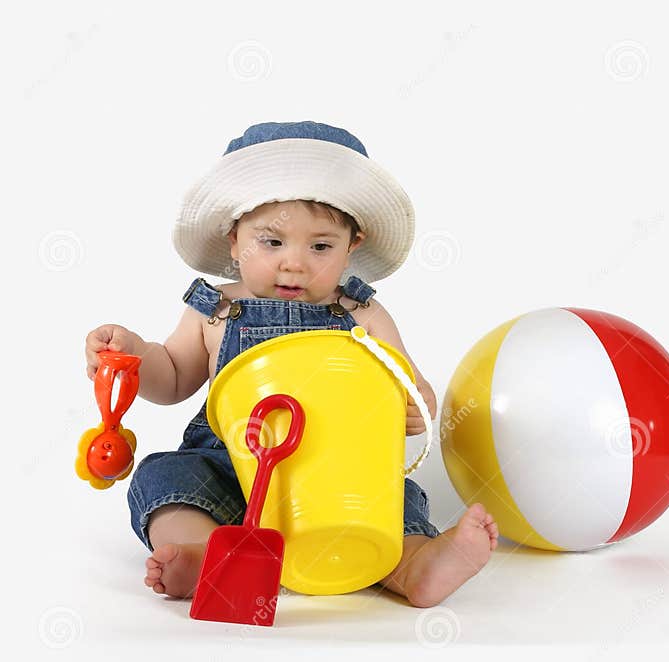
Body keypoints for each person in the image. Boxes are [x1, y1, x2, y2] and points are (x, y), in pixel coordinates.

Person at [83, 121, 498, 608]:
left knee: (391, 500)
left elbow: (408, 384)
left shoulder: (359, 312)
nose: (295, 263)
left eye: (320, 246)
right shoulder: (213, 309)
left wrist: (414, 402)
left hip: (338, 475)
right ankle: (205, 551)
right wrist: (134, 356)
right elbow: (172, 375)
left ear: (352, 246)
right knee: (166, 478)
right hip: (229, 465)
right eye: (272, 242)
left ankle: (416, 566)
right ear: (234, 239)